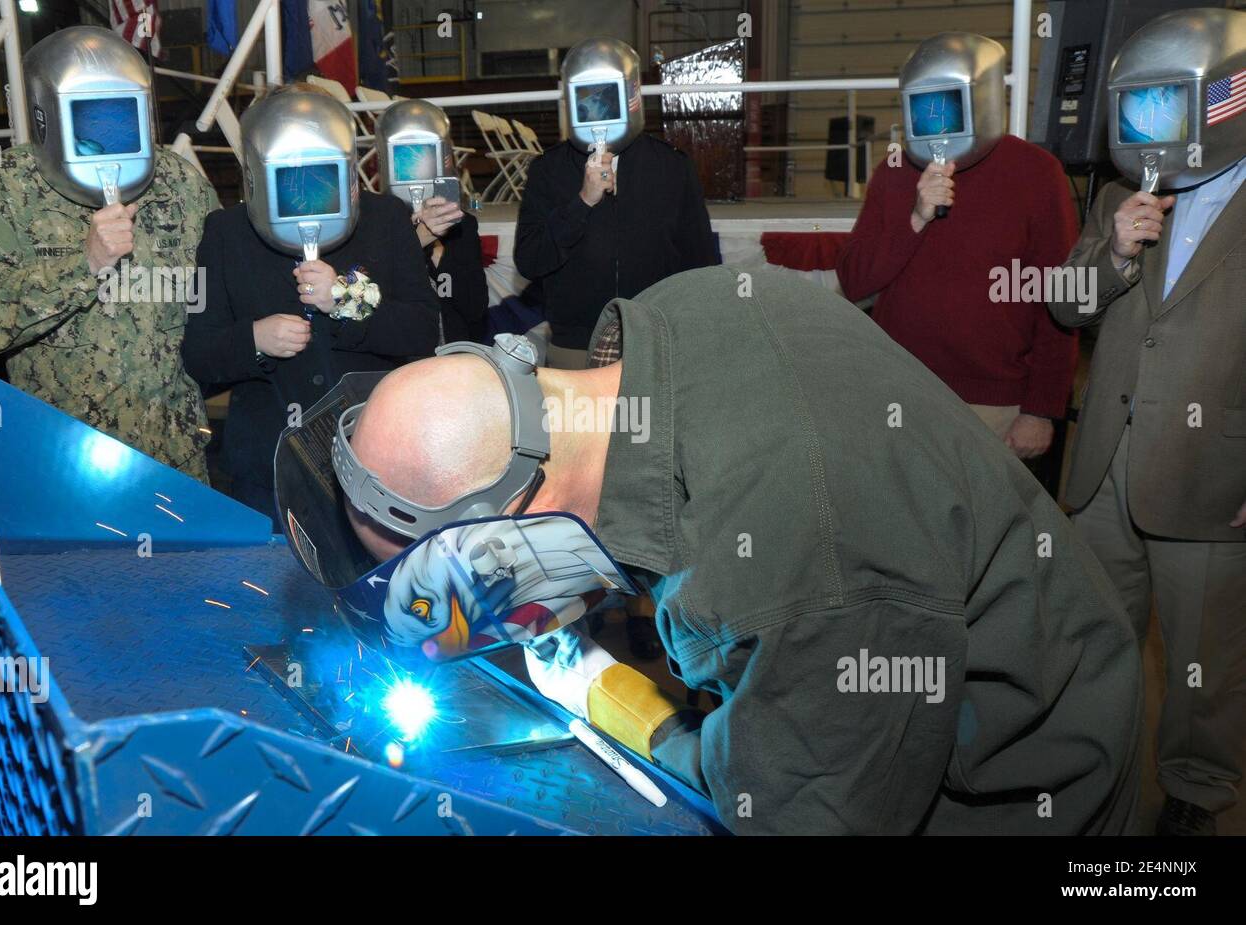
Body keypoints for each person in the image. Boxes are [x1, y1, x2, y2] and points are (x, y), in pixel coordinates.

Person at [340, 266, 1142, 835]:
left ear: (519, 517)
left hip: (1019, 786)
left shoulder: (799, 573)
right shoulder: (685, 308)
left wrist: (623, 705)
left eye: (456, 586)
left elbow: (796, 807)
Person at [1047, 8, 1246, 836]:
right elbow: (1062, 306)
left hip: (1213, 476)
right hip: (1103, 469)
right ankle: (1103, 777)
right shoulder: (1122, 199)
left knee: (1205, 664)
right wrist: (1114, 255)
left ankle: (1196, 796)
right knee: (1094, 638)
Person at [516, 37, 716, 657]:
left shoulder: (668, 165)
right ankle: (571, 608)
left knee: (652, 483)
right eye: (586, 99)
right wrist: (583, 201)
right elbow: (530, 260)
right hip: (575, 357)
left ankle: (643, 606)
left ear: (634, 98)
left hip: (654, 352)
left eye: (611, 98)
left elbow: (702, 261)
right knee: (572, 486)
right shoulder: (550, 172)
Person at [0, 26, 216, 479]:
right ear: (45, 114)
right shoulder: (7, 187)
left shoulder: (180, 183)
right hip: (62, 457)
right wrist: (84, 265)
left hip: (175, 455)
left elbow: (221, 296)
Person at [182, 85, 439, 517]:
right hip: (270, 466)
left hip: (375, 453)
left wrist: (346, 300)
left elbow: (421, 331)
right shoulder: (225, 233)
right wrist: (254, 339)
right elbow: (200, 356)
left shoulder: (386, 220)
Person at [838, 32, 1078, 462]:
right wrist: (915, 217)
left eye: (948, 104)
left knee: (987, 526)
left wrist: (1041, 409)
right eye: (923, 106)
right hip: (899, 391)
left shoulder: (1037, 174)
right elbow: (854, 280)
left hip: (993, 405)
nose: (935, 120)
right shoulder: (893, 171)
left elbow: (1059, 296)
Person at [377, 100, 488, 344]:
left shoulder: (462, 225)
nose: (416, 172)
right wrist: (418, 240)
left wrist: (441, 257)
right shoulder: (377, 224)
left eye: (425, 158)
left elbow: (475, 309)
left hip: (452, 352)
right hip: (403, 358)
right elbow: (375, 299)